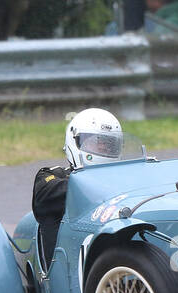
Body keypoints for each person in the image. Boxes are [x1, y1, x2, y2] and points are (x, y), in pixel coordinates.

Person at [33, 108, 124, 264]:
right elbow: (45, 196)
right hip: (68, 263)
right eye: (95, 143)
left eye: (108, 144)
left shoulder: (124, 176)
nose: (102, 149)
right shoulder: (52, 176)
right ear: (75, 141)